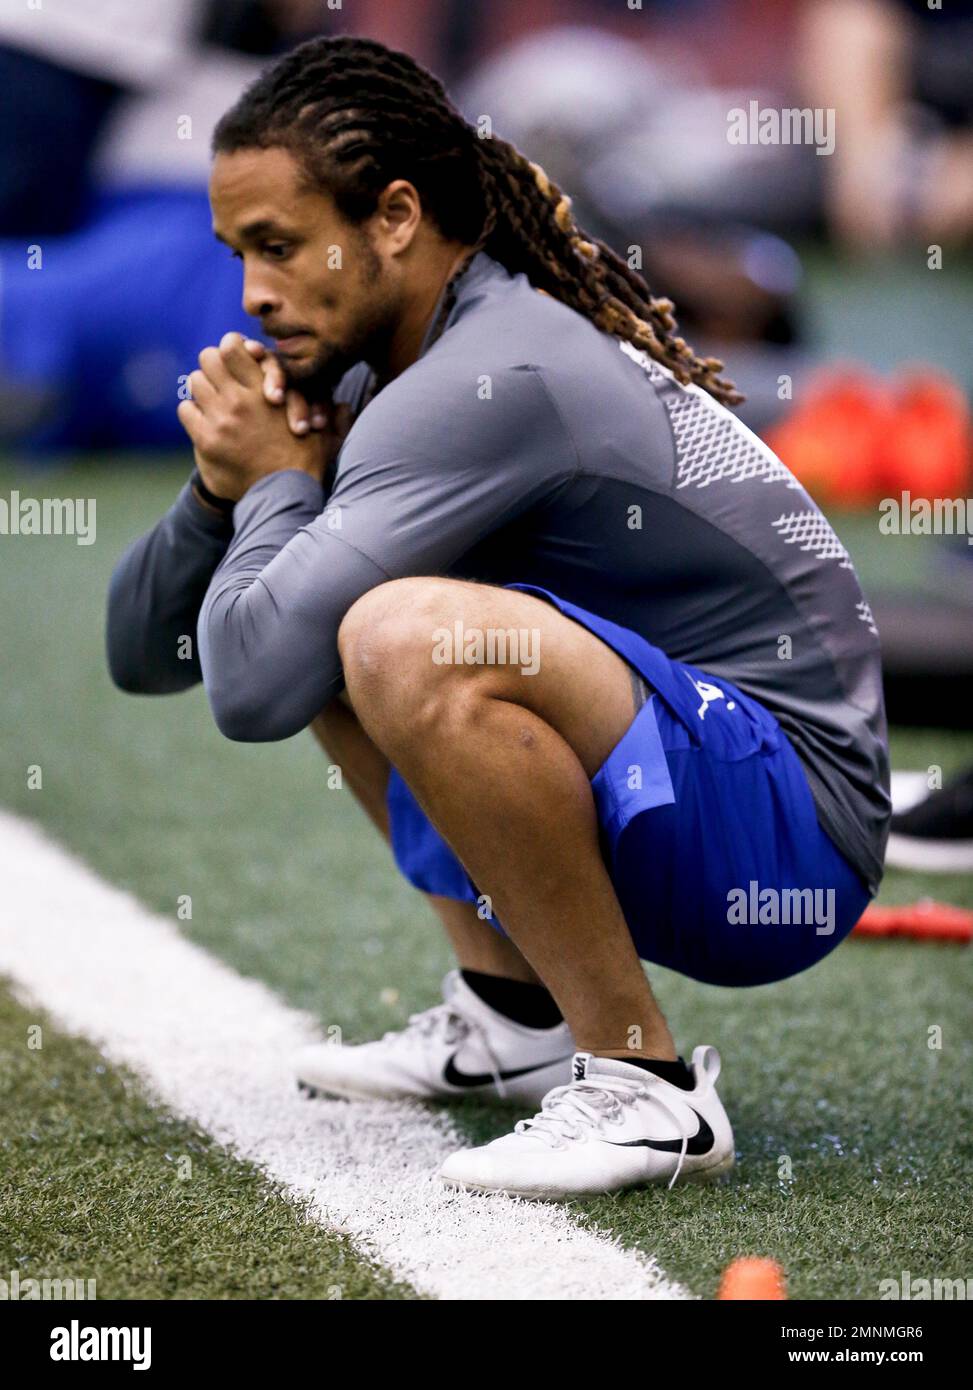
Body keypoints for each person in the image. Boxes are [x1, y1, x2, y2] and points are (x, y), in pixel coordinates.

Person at [106, 36, 890, 1200]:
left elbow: (250, 687)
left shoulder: (490, 378)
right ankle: (515, 1009)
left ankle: (648, 1090)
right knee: (333, 595)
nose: (252, 295)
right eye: (237, 255)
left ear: (396, 217)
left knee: (386, 629)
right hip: (713, 775)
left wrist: (273, 484)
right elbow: (148, 655)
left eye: (276, 246)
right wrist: (224, 486)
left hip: (797, 833)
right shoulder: (398, 354)